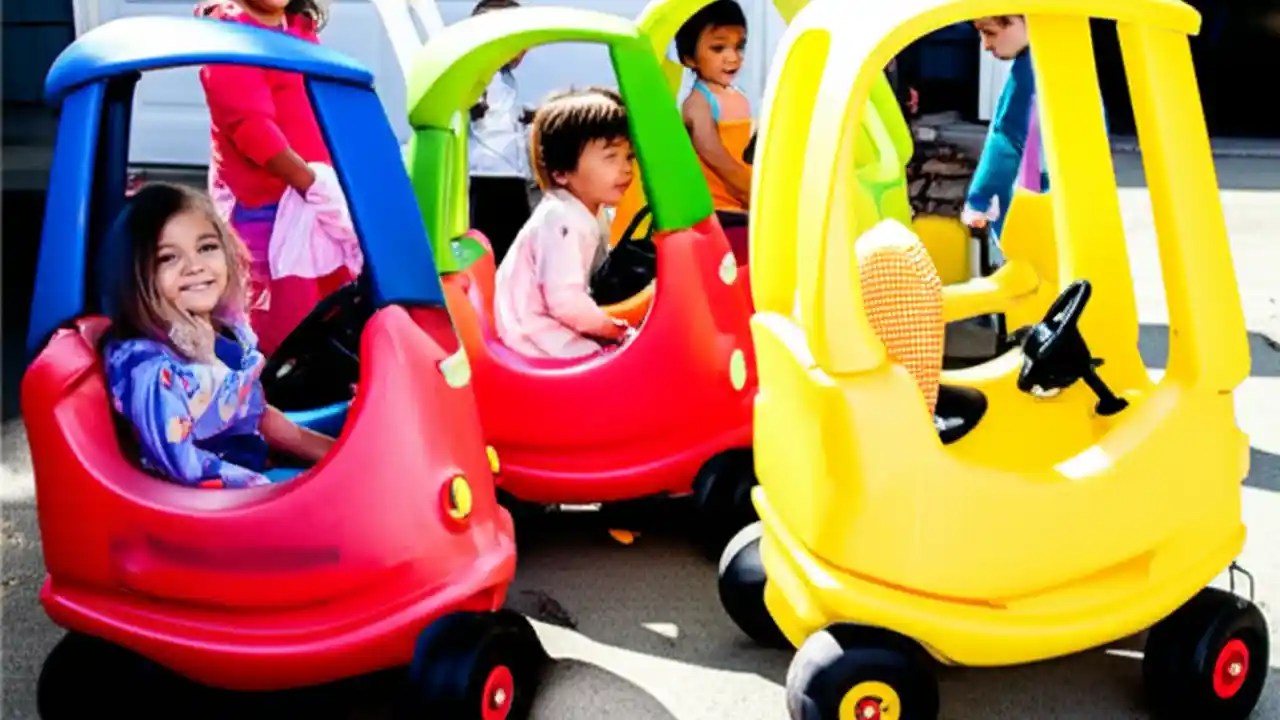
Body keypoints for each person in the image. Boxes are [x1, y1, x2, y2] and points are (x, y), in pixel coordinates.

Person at [101, 183, 337, 489]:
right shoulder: (150, 370)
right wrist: (207, 361)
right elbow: (188, 469)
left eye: (207, 248)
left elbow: (257, 416)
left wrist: (335, 454)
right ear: (135, 275)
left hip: (248, 475)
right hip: (222, 507)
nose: (195, 266)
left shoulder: (212, 331)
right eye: (168, 258)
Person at [196, 0, 356, 355]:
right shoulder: (232, 36)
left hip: (307, 194)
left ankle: (312, 375)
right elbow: (251, 129)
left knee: (324, 298)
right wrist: (310, 183)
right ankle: (265, 390)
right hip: (264, 205)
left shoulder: (295, 27)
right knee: (271, 314)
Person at [493, 87, 636, 359]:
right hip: (533, 337)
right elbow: (565, 301)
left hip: (539, 328)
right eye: (610, 157)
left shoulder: (576, 211)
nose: (626, 168)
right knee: (615, 360)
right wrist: (612, 329)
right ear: (561, 173)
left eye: (628, 156)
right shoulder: (563, 220)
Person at [962, 14, 1049, 251]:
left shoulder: (1028, 74)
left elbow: (1006, 139)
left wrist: (979, 199)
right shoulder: (1065, 62)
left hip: (1035, 208)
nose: (985, 45)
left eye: (990, 32)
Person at [676, 0, 753, 263]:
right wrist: (751, 189)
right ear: (689, 58)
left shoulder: (736, 96)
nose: (733, 57)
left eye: (739, 46)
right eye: (719, 48)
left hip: (741, 203)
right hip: (716, 212)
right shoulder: (698, 102)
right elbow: (713, 153)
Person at [468, 0, 537, 263]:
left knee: (515, 245)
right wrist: (476, 104)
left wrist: (528, 116)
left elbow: (507, 113)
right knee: (492, 247)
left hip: (513, 172)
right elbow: (470, 103)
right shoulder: (479, 75)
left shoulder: (506, 79)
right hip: (487, 174)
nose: (523, 50)